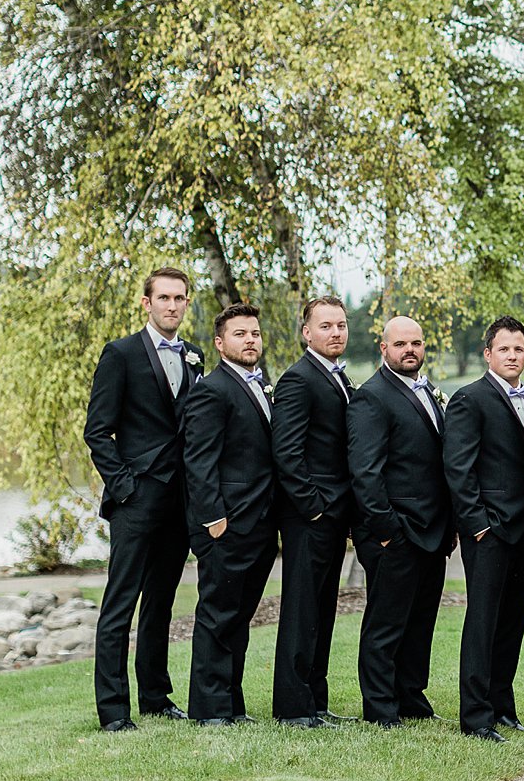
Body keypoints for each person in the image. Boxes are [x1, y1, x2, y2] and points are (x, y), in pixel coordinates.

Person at [84, 266, 199, 732]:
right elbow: (97, 432)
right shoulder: (121, 354)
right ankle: (113, 710)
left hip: (180, 502)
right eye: (165, 298)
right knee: (120, 603)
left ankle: (155, 697)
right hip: (136, 501)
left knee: (162, 603)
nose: (172, 306)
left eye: (180, 299)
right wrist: (125, 486)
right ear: (146, 303)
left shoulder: (193, 356)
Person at [441, 316, 524, 742]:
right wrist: (478, 525)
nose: (513, 356)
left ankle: (502, 706)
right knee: (483, 621)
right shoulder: (470, 399)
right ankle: (476, 716)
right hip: (490, 531)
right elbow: (458, 468)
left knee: (513, 621)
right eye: (504, 349)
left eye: (519, 349)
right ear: (489, 354)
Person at [347, 316, 457, 727]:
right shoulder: (372, 397)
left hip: (431, 530)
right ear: (384, 347)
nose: (409, 350)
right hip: (395, 531)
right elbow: (365, 472)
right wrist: (387, 531)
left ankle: (411, 696)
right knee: (386, 623)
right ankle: (380, 707)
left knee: (420, 620)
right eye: (401, 344)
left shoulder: (425, 389)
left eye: (416, 342)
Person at [179, 302, 280, 726]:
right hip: (226, 525)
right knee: (218, 615)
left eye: (254, 333)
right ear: (220, 344)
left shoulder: (261, 384)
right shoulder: (211, 389)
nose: (250, 340)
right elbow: (198, 461)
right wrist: (213, 520)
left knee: (239, 618)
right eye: (240, 334)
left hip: (259, 523)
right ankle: (209, 710)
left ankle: (232, 704)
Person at [270, 295, 358, 727]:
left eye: (340, 325)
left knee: (323, 611)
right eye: (326, 326)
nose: (335, 332)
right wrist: (316, 510)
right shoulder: (297, 380)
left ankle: (316, 702)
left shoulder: (339, 378)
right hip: (310, 518)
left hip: (333, 516)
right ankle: (292, 707)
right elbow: (287, 454)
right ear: (307, 333)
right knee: (302, 611)